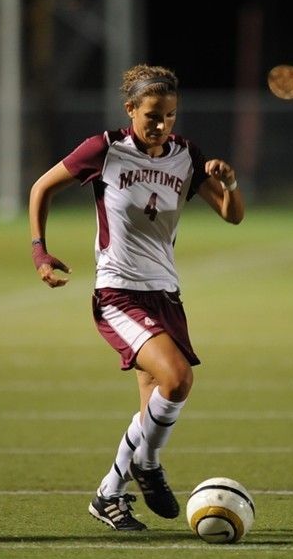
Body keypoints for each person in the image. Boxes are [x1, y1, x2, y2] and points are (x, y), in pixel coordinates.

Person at [28, 64, 245, 531]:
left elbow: (232, 216)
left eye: (169, 116)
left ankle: (109, 494)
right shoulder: (105, 150)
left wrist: (228, 181)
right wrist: (39, 252)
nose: (161, 125)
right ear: (130, 110)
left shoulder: (186, 156)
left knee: (155, 402)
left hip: (166, 294)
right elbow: (41, 187)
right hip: (118, 293)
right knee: (178, 379)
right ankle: (146, 464)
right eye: (151, 115)